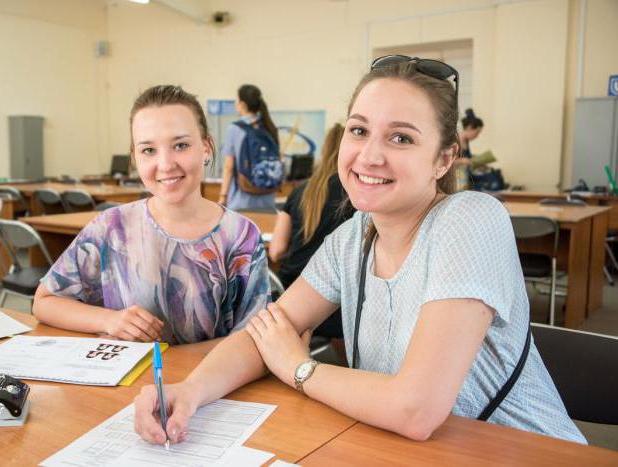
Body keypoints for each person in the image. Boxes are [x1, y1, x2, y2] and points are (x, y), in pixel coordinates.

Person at [133, 58, 586, 445]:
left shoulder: (469, 218)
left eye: (401, 138)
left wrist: (299, 369)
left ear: (444, 159)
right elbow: (268, 332)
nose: (369, 156)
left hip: (522, 451)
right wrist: (190, 391)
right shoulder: (354, 237)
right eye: (359, 130)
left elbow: (414, 410)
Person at [33, 85, 270, 344]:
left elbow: (254, 338)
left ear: (206, 148)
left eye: (180, 145)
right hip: (129, 381)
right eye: (148, 150)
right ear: (134, 158)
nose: (166, 164)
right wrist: (108, 320)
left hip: (212, 382)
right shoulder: (111, 227)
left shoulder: (240, 236)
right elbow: (45, 302)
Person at [269, 123, 354, 339]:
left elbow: (276, 252)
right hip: (335, 308)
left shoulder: (299, 191)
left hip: (289, 299)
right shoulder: (356, 195)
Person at [219, 84, 280, 210]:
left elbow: (228, 167)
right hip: (268, 200)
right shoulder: (269, 127)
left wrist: (223, 196)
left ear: (243, 104)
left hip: (241, 201)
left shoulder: (235, 129)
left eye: (236, 100)